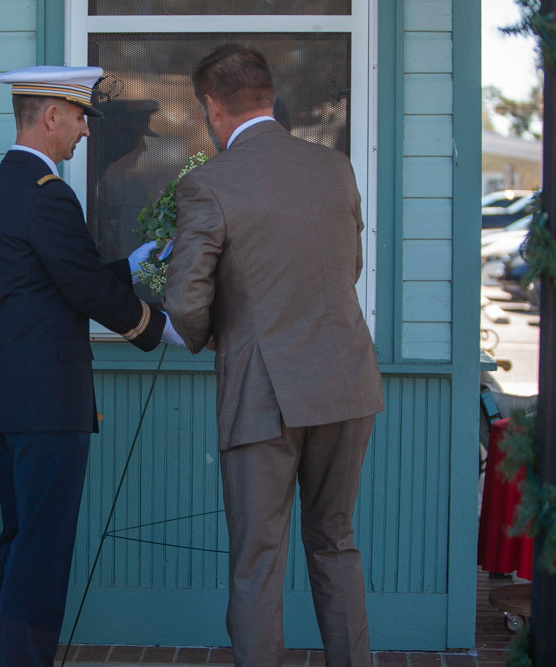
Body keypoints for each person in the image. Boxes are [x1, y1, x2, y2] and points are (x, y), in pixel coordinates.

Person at [163, 45, 385, 667]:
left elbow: (185, 300)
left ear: (210, 105)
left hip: (264, 391)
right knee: (335, 542)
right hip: (346, 379)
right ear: (268, 95)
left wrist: (211, 336)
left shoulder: (209, 181)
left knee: (258, 560)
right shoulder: (335, 167)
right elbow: (351, 268)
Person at [0, 65, 183, 667]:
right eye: (81, 116)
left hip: (13, 396)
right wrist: (161, 328)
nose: (86, 130)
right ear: (51, 115)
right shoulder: (47, 192)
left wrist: (127, 266)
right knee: (44, 549)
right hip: (51, 400)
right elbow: (81, 290)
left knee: (19, 541)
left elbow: (51, 284)